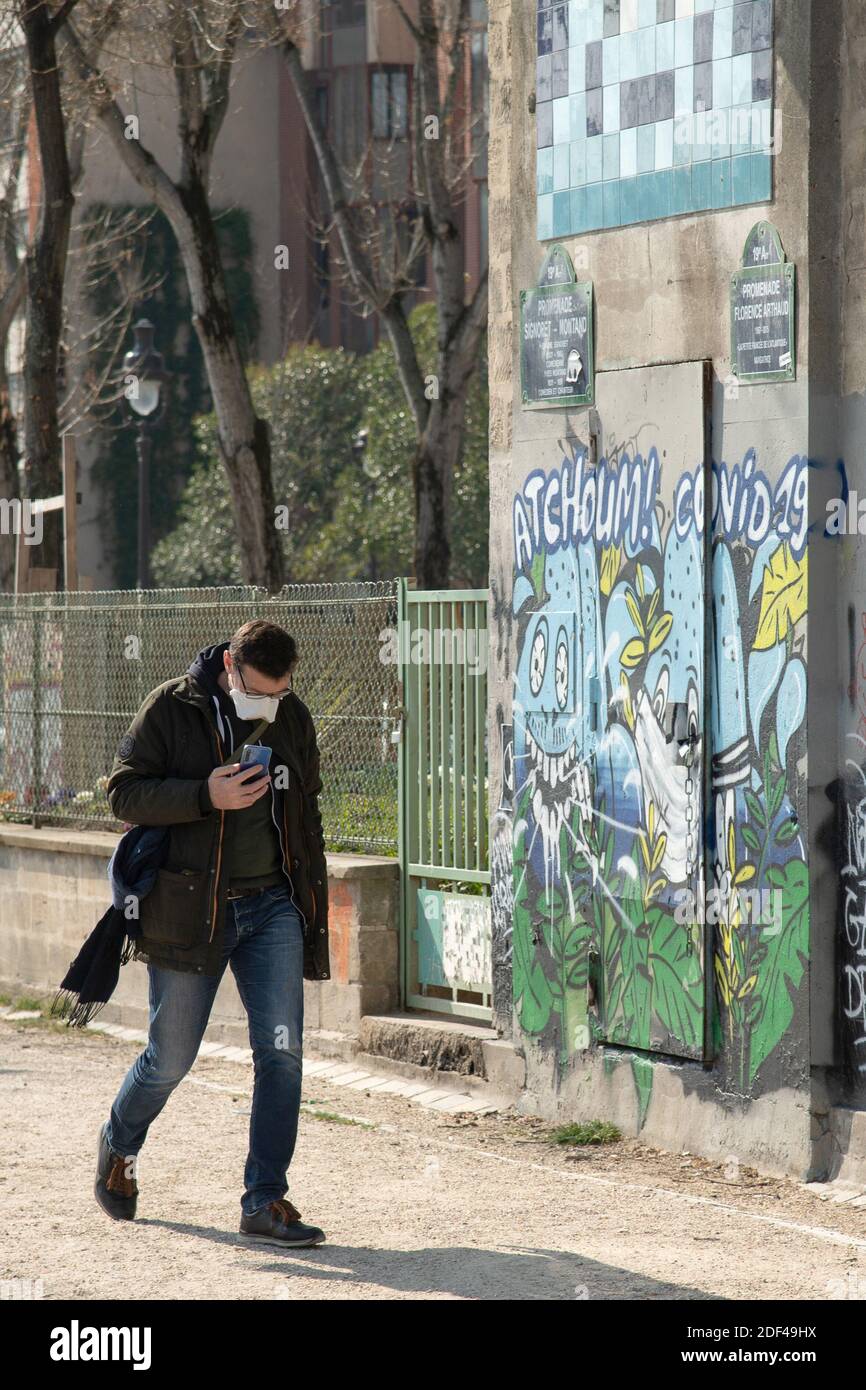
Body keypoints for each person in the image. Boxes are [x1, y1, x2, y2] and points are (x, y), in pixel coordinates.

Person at [93, 618, 329, 1248]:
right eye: (258, 692)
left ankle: (264, 1201)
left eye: (279, 693)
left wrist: (310, 900)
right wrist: (205, 795)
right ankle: (119, 1141)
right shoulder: (173, 708)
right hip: (190, 911)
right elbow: (122, 793)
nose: (270, 705)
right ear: (230, 664)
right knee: (169, 1058)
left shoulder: (292, 715)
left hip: (272, 907)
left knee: (281, 1055)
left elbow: (308, 808)